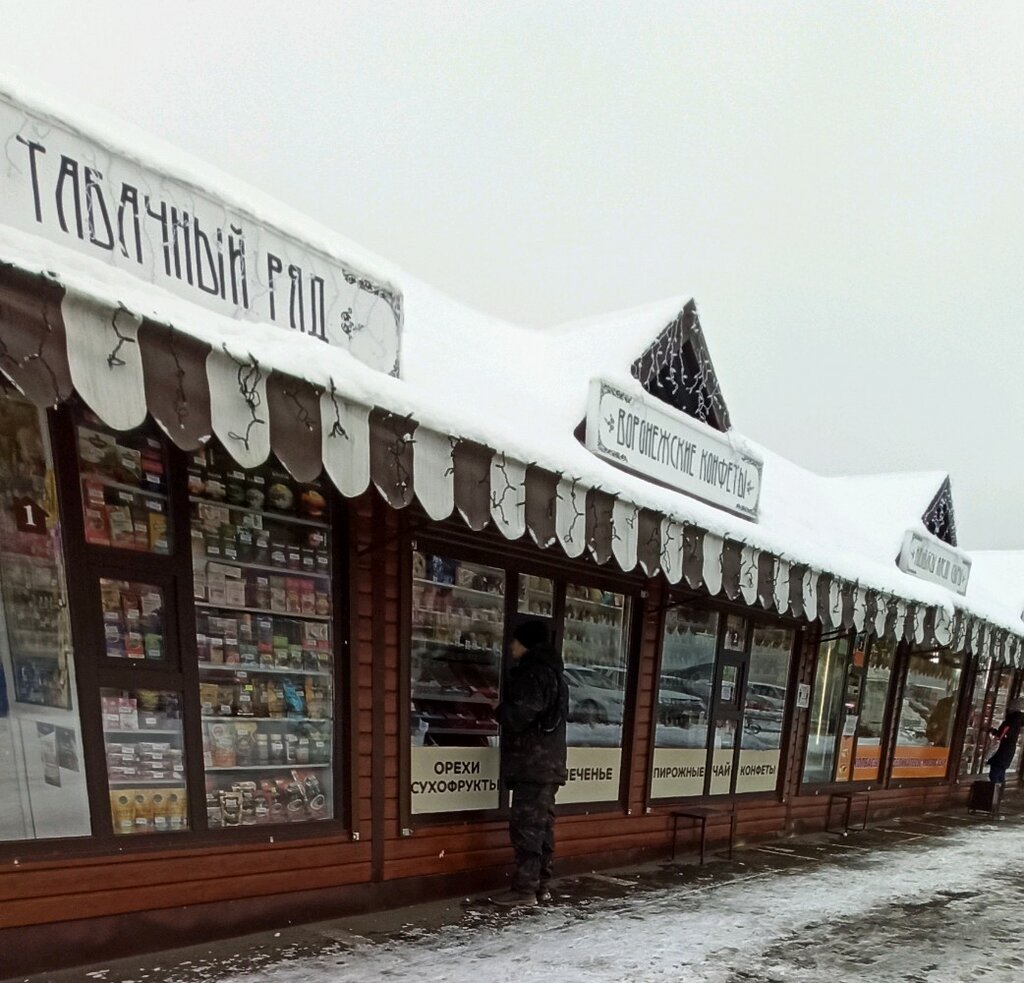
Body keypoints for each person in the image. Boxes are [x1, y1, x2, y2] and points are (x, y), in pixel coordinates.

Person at [491, 619, 568, 906]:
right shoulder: (556, 674)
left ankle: (525, 890)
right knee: (542, 827)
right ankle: (540, 886)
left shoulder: (534, 674)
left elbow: (520, 715)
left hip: (533, 766)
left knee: (527, 828)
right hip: (548, 766)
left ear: (525, 643)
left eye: (515, 641)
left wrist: (498, 709)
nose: (511, 646)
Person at [987, 698, 1024, 785]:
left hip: (1003, 750)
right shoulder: (1018, 720)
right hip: (1009, 750)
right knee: (1000, 773)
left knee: (995, 773)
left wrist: (993, 731)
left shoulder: (1011, 720)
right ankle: (998, 794)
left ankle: (994, 794)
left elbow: (1002, 734)